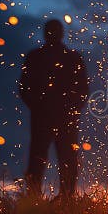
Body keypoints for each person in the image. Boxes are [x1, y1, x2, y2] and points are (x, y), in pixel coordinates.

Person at [19, 20, 89, 200]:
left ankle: (62, 199)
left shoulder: (70, 58)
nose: (52, 34)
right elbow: (24, 88)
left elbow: (82, 89)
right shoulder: (38, 57)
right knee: (41, 159)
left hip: (59, 118)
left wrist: (70, 109)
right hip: (47, 117)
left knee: (64, 160)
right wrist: (39, 107)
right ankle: (39, 199)